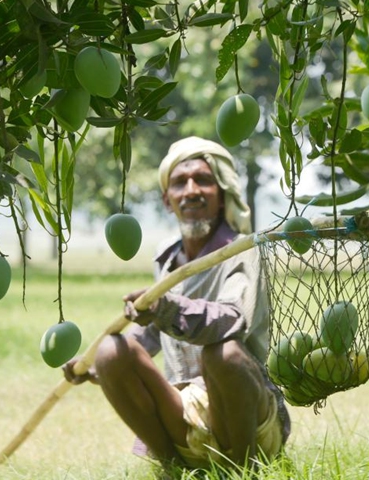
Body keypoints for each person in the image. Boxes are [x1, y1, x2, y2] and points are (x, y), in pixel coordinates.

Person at [63, 136, 291, 471]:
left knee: (223, 352)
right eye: (180, 182)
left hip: (251, 425)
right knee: (112, 350)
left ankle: (245, 471)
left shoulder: (243, 251)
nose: (191, 191)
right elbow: (154, 333)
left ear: (222, 194)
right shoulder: (167, 259)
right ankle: (174, 469)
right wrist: (94, 364)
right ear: (167, 200)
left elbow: (231, 320)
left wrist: (166, 308)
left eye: (203, 180)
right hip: (185, 416)